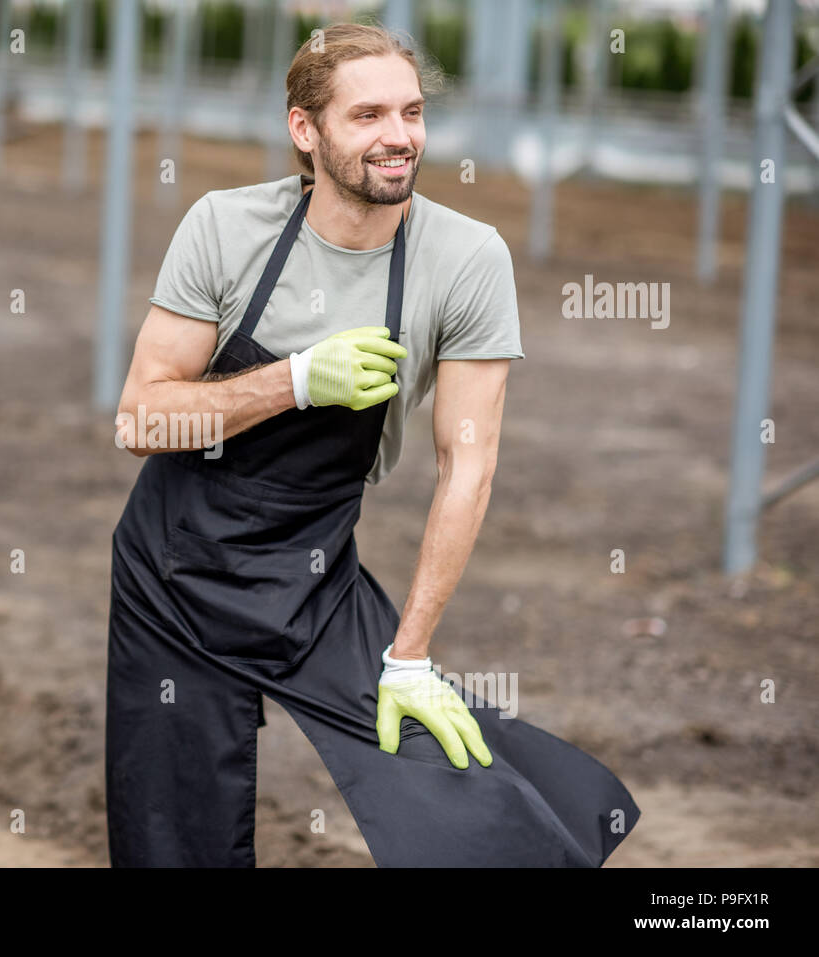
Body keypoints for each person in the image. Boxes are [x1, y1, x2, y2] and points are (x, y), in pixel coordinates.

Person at [105, 21, 639, 867]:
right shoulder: (225, 228)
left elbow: (471, 467)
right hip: (173, 575)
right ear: (304, 131)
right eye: (368, 116)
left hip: (315, 580)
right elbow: (142, 419)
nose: (399, 137)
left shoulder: (465, 259)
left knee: (464, 785)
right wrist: (296, 379)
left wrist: (412, 654)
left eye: (412, 111)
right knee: (177, 836)